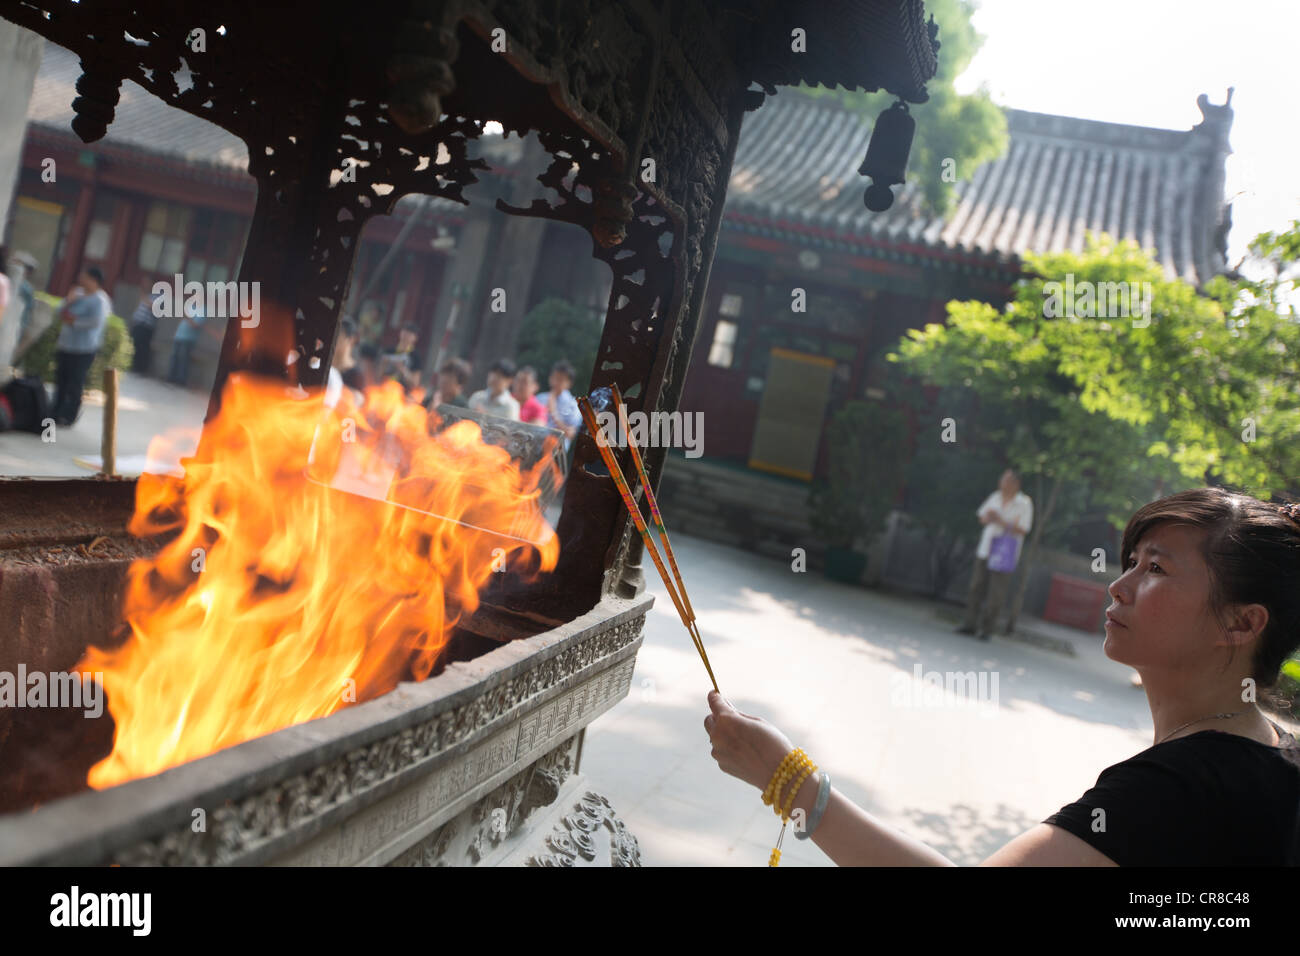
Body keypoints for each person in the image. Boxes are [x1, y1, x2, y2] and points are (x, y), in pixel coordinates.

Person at [704, 487, 1300, 866]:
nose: (1119, 586)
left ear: (1241, 623)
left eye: (1158, 569)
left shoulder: (1176, 787)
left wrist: (789, 783)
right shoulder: (1276, 752)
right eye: (1131, 562)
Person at [957, 469, 1034, 640]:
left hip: (1004, 554)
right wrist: (989, 517)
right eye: (1002, 480)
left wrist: (1000, 520)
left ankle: (987, 629)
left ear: (1016, 484)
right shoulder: (995, 497)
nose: (1003, 483)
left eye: (1007, 480)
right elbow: (982, 518)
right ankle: (969, 624)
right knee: (976, 587)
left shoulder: (1024, 503)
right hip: (986, 549)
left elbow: (1023, 529)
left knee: (996, 593)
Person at [52, 265, 112, 426]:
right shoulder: (77, 294)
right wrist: (68, 302)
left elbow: (96, 322)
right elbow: (59, 311)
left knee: (75, 382)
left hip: (84, 348)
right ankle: (55, 411)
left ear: (94, 280)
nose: (81, 279)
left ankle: (69, 415)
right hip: (66, 344)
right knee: (61, 380)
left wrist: (74, 322)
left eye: (84, 276)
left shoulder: (100, 299)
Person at [535, 360, 583, 449]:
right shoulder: (540, 398)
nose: (556, 382)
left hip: (556, 451)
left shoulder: (573, 405)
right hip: (535, 446)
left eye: (561, 379)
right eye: (554, 377)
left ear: (569, 383)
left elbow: (570, 434)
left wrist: (554, 413)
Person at [167, 294, 206, 387]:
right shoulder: (190, 306)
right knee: (174, 357)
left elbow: (196, 325)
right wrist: (176, 333)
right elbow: (182, 320)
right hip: (179, 336)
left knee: (183, 359)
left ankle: (180, 381)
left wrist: (187, 317)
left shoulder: (203, 310)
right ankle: (170, 378)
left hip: (188, 339)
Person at [130, 277, 161, 376]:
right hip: (138, 324)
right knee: (134, 344)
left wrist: (143, 297)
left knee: (142, 347)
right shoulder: (146, 296)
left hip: (146, 326)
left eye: (147, 283)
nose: (144, 285)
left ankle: (140, 368)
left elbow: (154, 308)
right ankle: (133, 365)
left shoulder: (157, 297)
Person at [379, 323, 422, 393]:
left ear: (415, 338)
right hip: (385, 388)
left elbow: (415, 383)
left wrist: (402, 369)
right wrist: (383, 365)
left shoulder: (415, 357)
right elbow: (378, 375)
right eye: (405, 332)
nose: (406, 336)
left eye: (410, 334)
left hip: (402, 392)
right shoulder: (389, 351)